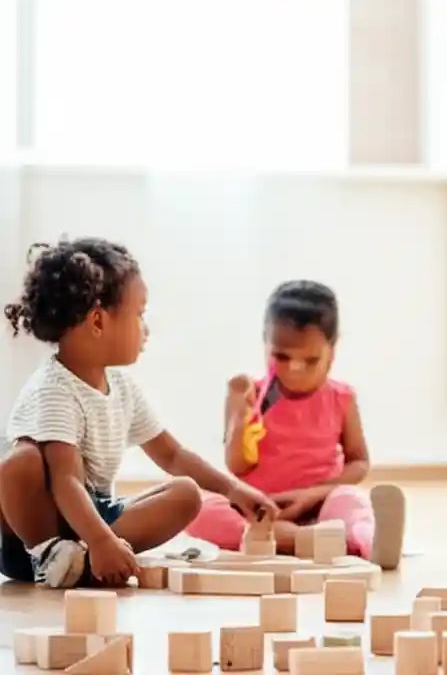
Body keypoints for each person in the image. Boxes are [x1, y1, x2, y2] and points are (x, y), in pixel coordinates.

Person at [0, 238, 278, 588]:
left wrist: (233, 489)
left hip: (92, 515)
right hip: (40, 529)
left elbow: (173, 455)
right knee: (20, 461)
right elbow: (65, 480)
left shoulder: (122, 387)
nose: (146, 328)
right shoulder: (54, 389)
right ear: (98, 321)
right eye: (139, 314)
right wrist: (102, 540)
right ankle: (53, 558)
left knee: (186, 493)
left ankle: (85, 564)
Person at [185, 280, 405, 568]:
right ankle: (307, 539)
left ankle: (368, 541)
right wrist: (239, 415)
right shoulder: (249, 395)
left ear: (332, 350)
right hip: (259, 508)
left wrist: (312, 494)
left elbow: (359, 461)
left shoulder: (342, 398)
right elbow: (236, 466)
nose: (294, 370)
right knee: (198, 507)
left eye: (311, 360)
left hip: (319, 504)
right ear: (265, 341)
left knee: (351, 500)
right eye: (281, 356)